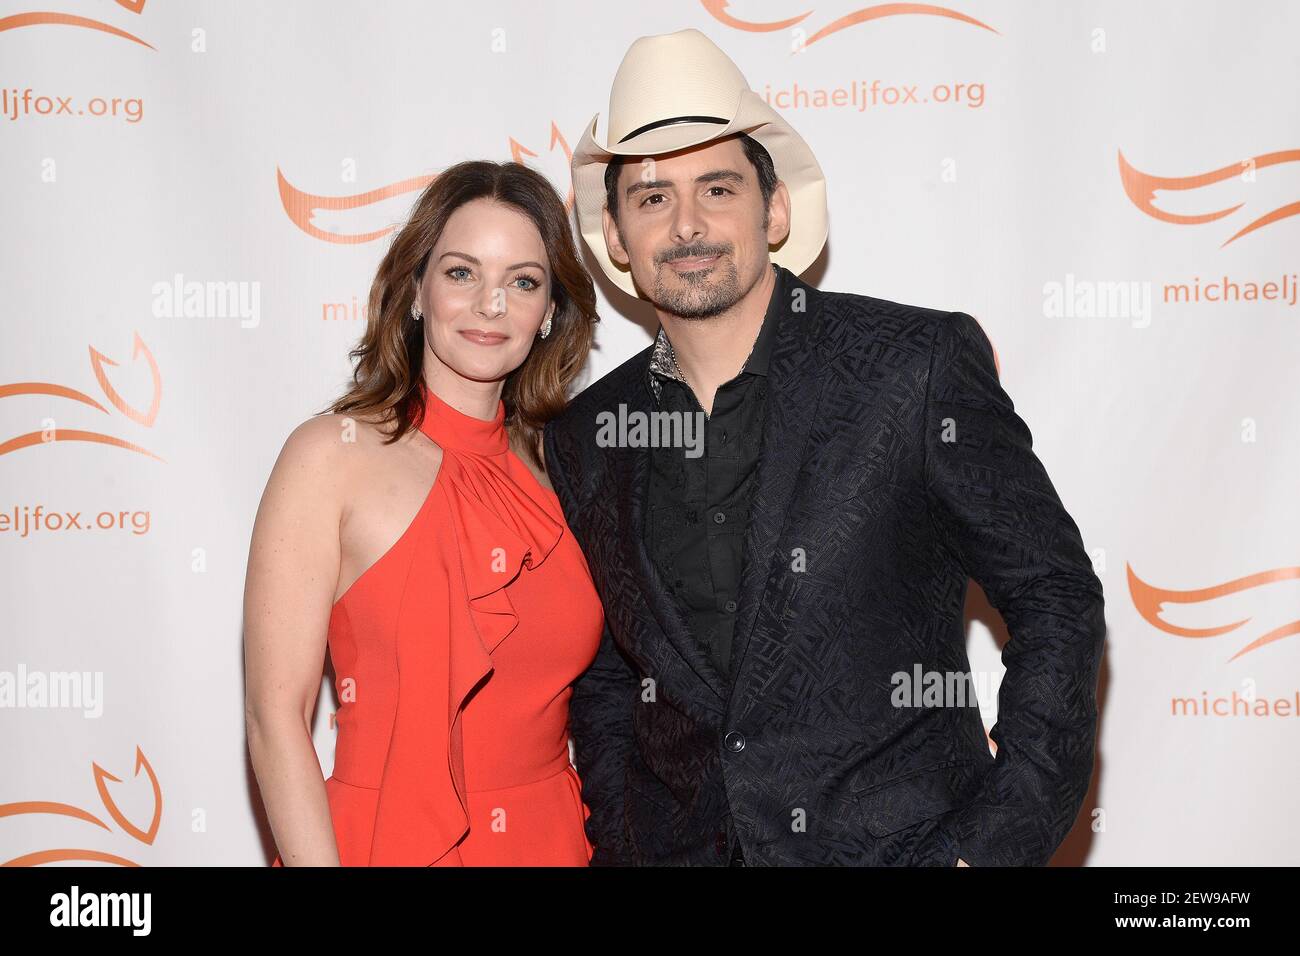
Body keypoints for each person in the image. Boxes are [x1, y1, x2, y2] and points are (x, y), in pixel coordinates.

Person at [544, 29, 1107, 866]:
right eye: (653, 197)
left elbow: (1056, 598)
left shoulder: (912, 370)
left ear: (774, 210)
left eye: (718, 187)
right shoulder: (586, 434)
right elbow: (606, 677)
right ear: (617, 236)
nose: (688, 223)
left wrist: (985, 849)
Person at [244, 160, 604, 866]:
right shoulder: (330, 456)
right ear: (415, 291)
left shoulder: (570, 476)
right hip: (382, 844)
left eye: (523, 281)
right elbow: (272, 718)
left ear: (551, 313)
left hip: (549, 843)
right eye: (462, 273)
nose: (490, 305)